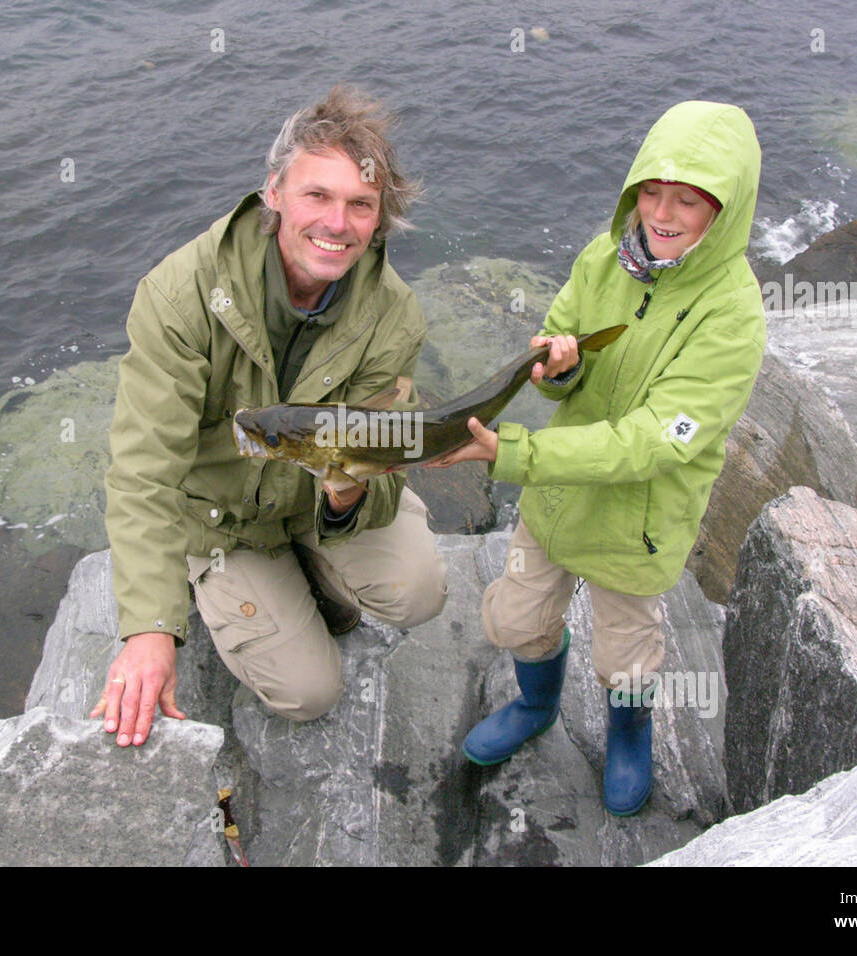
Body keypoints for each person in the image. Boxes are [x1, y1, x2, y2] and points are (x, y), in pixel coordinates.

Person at [432, 100, 765, 816]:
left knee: (626, 658)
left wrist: (512, 451)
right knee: (517, 620)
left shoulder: (733, 316)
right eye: (651, 190)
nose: (662, 213)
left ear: (726, 209)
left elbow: (655, 440)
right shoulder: (603, 255)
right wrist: (560, 364)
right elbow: (559, 336)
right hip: (558, 501)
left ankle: (630, 734)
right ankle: (535, 707)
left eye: (689, 199)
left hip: (637, 522)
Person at [93, 85, 447, 745]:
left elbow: (390, 455)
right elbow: (145, 468)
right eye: (317, 196)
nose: (336, 224)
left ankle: (316, 562)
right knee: (309, 693)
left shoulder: (394, 314)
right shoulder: (182, 294)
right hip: (226, 521)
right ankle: (240, 585)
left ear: (380, 218)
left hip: (313, 499)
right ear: (274, 193)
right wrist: (148, 629)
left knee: (418, 591)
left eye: (360, 205)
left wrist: (347, 498)